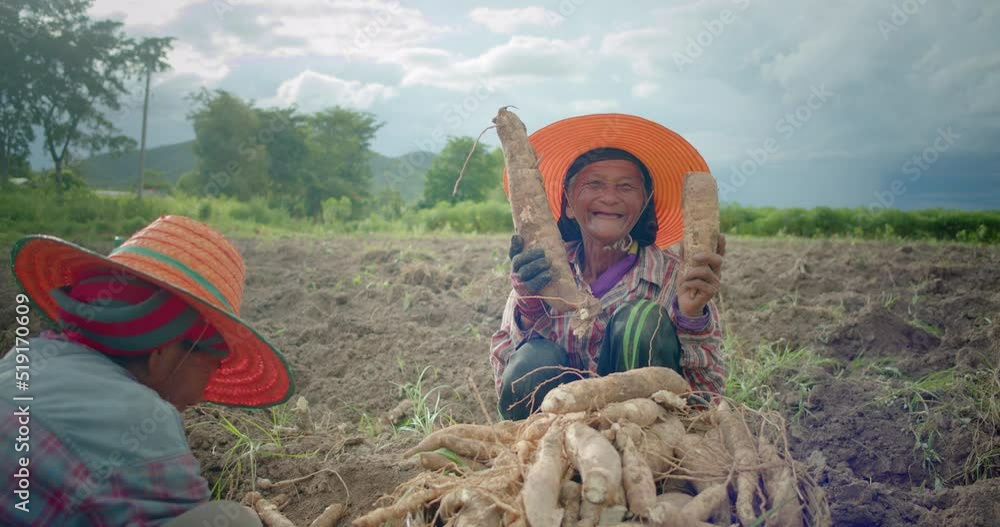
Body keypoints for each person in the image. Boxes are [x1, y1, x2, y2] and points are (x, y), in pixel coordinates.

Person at [0, 215, 296, 526]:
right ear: (162, 352)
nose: (203, 393)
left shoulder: (22, 359)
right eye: (215, 363)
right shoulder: (143, 421)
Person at [491, 113, 726, 420]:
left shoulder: (675, 278)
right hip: (552, 440)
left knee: (642, 323)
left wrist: (691, 316)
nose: (610, 197)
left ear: (643, 205)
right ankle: (535, 456)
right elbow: (509, 379)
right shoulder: (538, 274)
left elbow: (706, 397)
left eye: (626, 186)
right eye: (595, 184)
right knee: (535, 357)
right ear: (570, 205)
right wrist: (530, 304)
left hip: (644, 441)